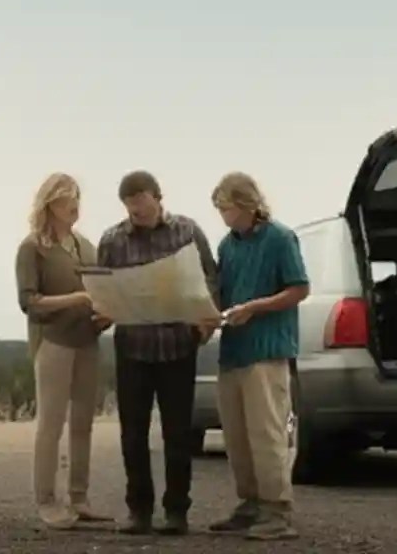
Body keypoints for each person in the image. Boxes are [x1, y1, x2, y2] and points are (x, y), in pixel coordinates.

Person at [96, 170, 220, 536]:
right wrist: (103, 307)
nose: (138, 213)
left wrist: (206, 318)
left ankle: (177, 510)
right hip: (133, 345)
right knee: (132, 433)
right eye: (131, 208)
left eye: (143, 205)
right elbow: (101, 285)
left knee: (178, 432)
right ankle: (139, 509)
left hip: (177, 344)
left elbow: (211, 276)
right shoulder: (113, 240)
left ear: (158, 197)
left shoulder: (186, 231)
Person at [207, 171, 310, 541]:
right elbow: (222, 291)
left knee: (266, 432)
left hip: (267, 349)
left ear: (246, 203)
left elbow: (299, 288)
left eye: (227, 207)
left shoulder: (281, 238)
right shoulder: (226, 245)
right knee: (235, 435)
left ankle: (276, 510)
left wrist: (256, 307)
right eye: (220, 209)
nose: (223, 216)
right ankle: (249, 503)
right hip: (233, 350)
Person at [14, 173, 113, 530]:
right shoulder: (32, 248)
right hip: (53, 342)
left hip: (88, 342)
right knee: (51, 425)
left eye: (77, 199)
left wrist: (106, 315)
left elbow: (103, 292)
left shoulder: (86, 246)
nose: (74, 206)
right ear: (49, 203)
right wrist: (77, 298)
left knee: (83, 424)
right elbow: (30, 302)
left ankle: (79, 498)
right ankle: (47, 501)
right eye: (67, 199)